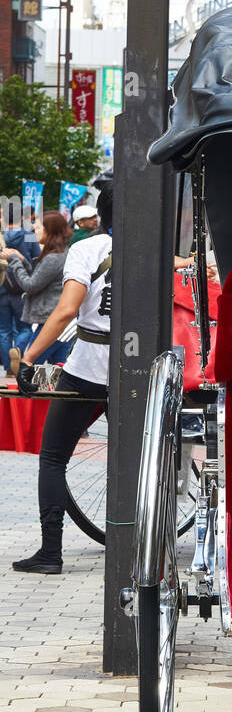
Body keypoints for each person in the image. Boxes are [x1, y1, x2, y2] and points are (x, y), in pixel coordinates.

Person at [12, 184, 113, 574]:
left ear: (100, 215)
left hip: (87, 369)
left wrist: (30, 359)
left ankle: (51, 551)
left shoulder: (86, 250)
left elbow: (67, 310)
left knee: (53, 457)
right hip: (140, 369)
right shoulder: (152, 247)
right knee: (139, 456)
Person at [2, 212, 72, 372]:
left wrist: (14, 261)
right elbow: (39, 277)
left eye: (38, 227)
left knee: (28, 364)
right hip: (57, 320)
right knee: (59, 369)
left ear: (50, 231)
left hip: (50, 321)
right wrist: (22, 260)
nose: (34, 231)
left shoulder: (53, 258)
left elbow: (30, 285)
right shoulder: (60, 253)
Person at [0, 221, 40, 374]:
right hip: (22, 288)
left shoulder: (1, 235)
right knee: (24, 327)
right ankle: (18, 349)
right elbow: (36, 259)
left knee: (3, 330)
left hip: (2, 288)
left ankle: (9, 368)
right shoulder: (29, 236)